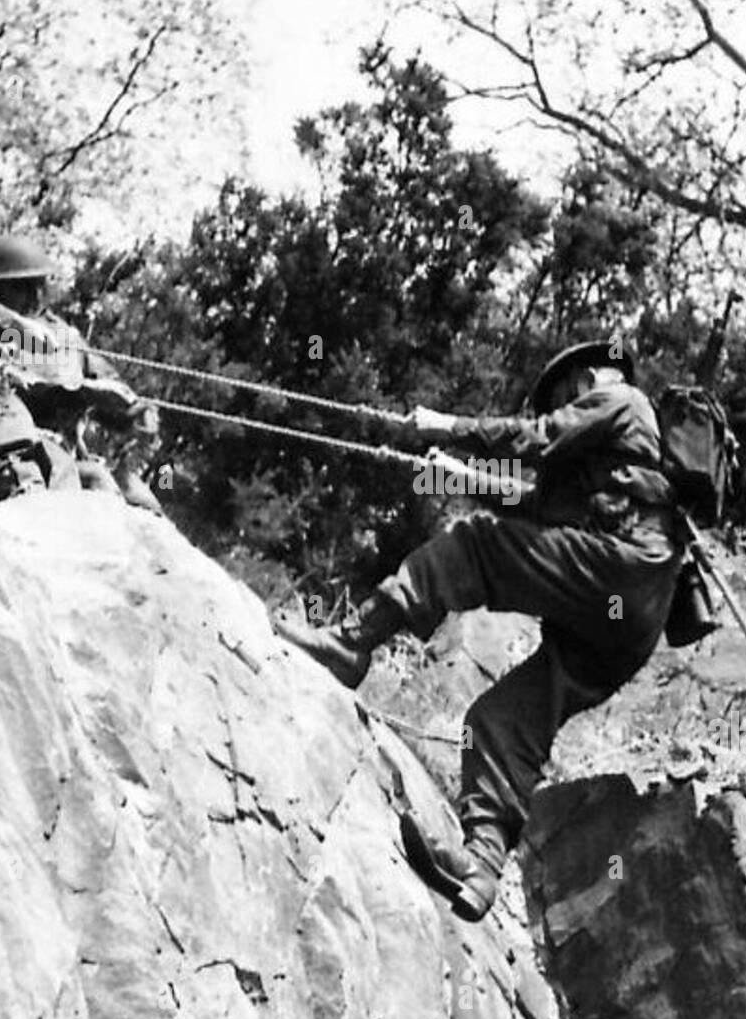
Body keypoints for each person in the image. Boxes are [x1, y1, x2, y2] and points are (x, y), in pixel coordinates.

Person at [277, 339, 683, 922]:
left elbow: (536, 440)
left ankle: (352, 642)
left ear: (585, 377)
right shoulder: (611, 455)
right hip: (629, 620)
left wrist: (446, 425)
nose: (567, 404)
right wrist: (459, 477)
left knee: (475, 545)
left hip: (620, 567)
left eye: (566, 394)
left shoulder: (620, 397)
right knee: (500, 721)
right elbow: (534, 501)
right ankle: (482, 865)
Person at [0, 234, 163, 509]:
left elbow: (110, 384)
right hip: (15, 453)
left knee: (139, 501)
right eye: (20, 287)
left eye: (37, 285)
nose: (33, 296)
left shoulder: (65, 337)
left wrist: (136, 411)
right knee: (92, 485)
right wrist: (70, 391)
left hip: (69, 455)